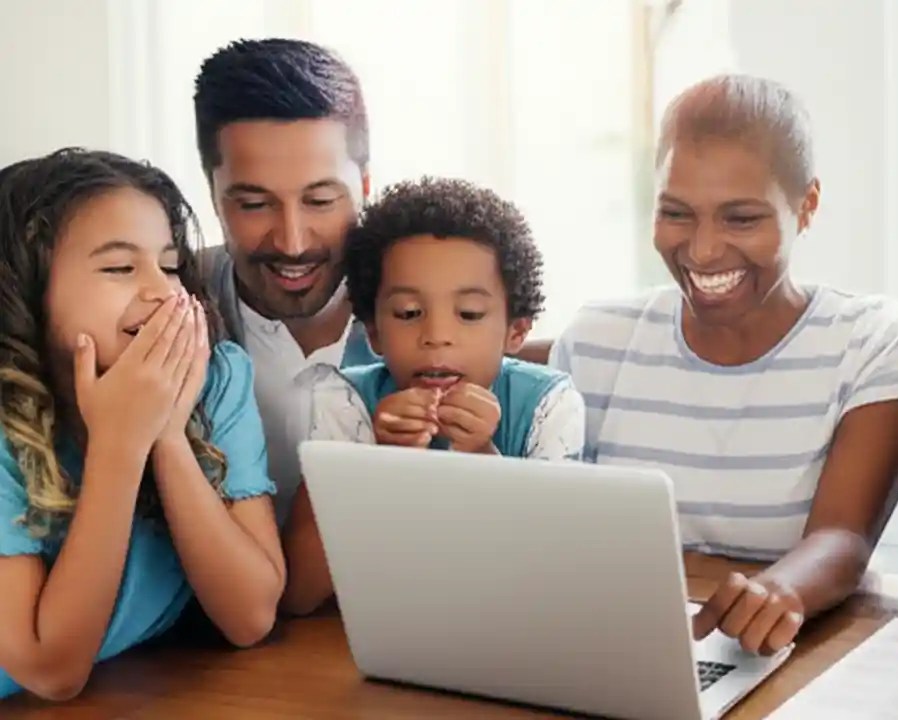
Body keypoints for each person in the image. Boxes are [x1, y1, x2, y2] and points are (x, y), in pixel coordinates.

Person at [548, 75, 898, 654]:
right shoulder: (596, 341)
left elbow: (844, 537)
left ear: (805, 206)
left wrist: (780, 590)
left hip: (785, 650)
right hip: (620, 645)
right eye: (677, 213)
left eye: (741, 219)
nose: (704, 250)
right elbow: (558, 532)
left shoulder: (878, 342)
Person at [0, 149, 284, 700]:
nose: (164, 291)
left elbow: (250, 616)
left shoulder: (215, 377)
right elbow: (49, 670)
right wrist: (119, 446)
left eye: (170, 264)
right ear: (24, 289)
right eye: (119, 268)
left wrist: (168, 436)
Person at [281, 176, 584, 615]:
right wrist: (372, 463)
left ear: (516, 330)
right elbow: (298, 596)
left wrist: (481, 452)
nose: (436, 336)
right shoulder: (342, 403)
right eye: (408, 313)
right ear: (375, 332)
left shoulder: (549, 406)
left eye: (469, 314)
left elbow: (556, 579)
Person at [194, 39, 377, 525]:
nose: (293, 242)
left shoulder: (427, 307)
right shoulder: (167, 308)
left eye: (320, 201)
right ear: (212, 195)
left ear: (364, 187)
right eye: (254, 205)